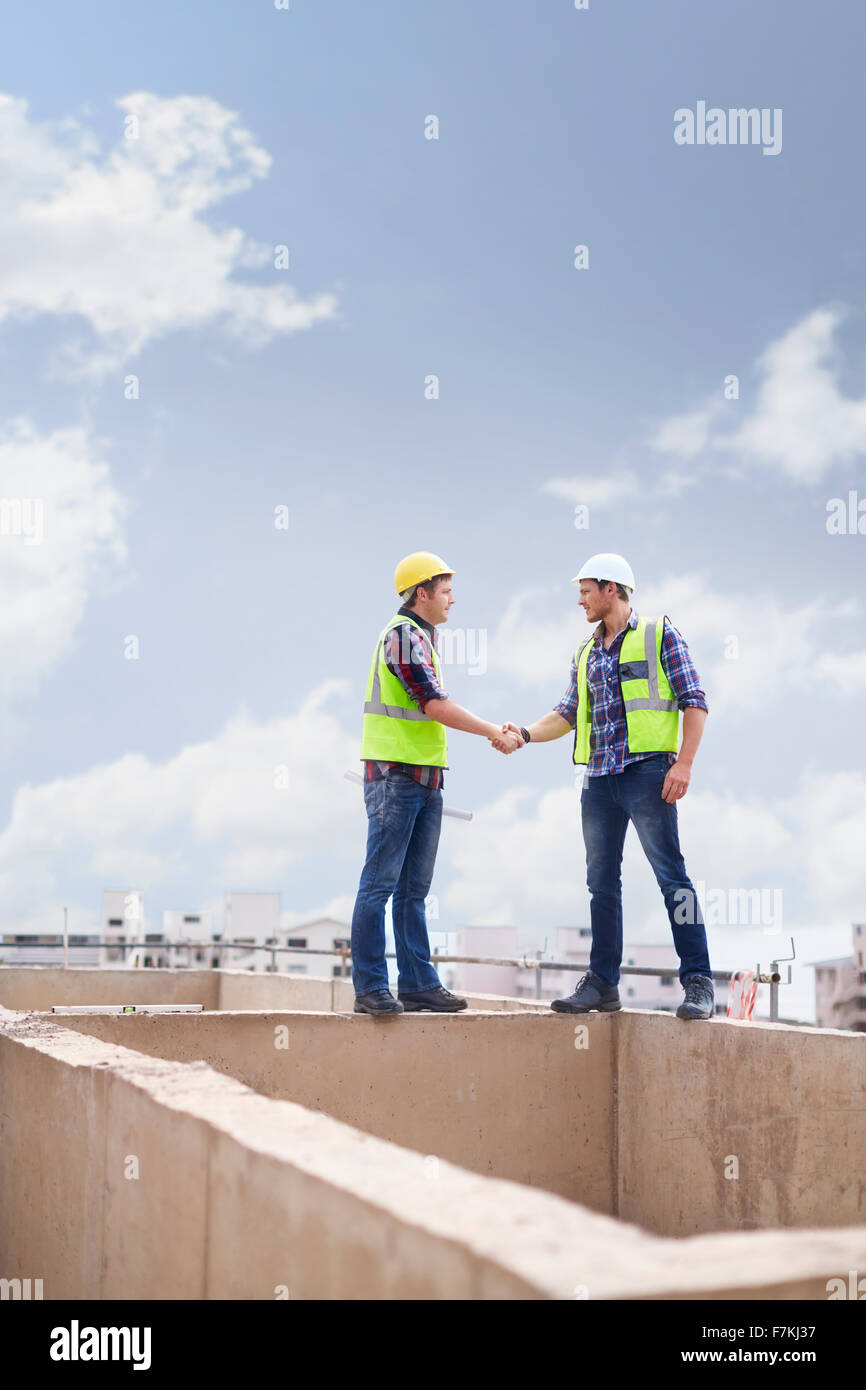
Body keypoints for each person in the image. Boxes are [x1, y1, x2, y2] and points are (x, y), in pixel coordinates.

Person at [497, 552, 715, 1020]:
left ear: (610, 588)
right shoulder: (585, 651)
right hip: (598, 780)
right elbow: (567, 713)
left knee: (671, 877)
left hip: (648, 774)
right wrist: (526, 735)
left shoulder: (659, 634)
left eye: (584, 591)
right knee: (601, 884)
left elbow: (695, 700)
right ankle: (602, 983)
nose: (580, 600)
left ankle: (698, 981)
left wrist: (685, 764)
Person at [351, 551, 521, 1015]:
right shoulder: (403, 637)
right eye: (445, 591)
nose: (452, 600)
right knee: (379, 887)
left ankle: (418, 984)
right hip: (396, 779)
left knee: (412, 891)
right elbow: (432, 704)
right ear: (421, 593)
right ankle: (370, 988)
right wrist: (493, 731)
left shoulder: (420, 638)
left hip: (423, 779)